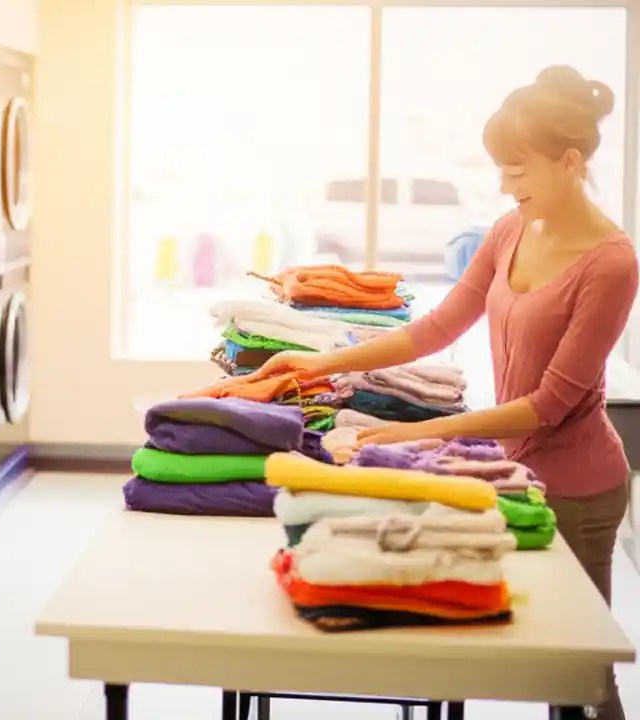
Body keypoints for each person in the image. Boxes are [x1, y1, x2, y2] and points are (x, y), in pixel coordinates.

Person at [254, 65, 636, 720]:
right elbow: (432, 331)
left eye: (517, 171)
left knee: (579, 678)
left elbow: (548, 404)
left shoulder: (612, 262)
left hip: (578, 489)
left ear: (569, 162)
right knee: (506, 642)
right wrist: (318, 363)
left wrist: (414, 434)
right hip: (511, 474)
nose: (505, 185)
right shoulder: (511, 229)